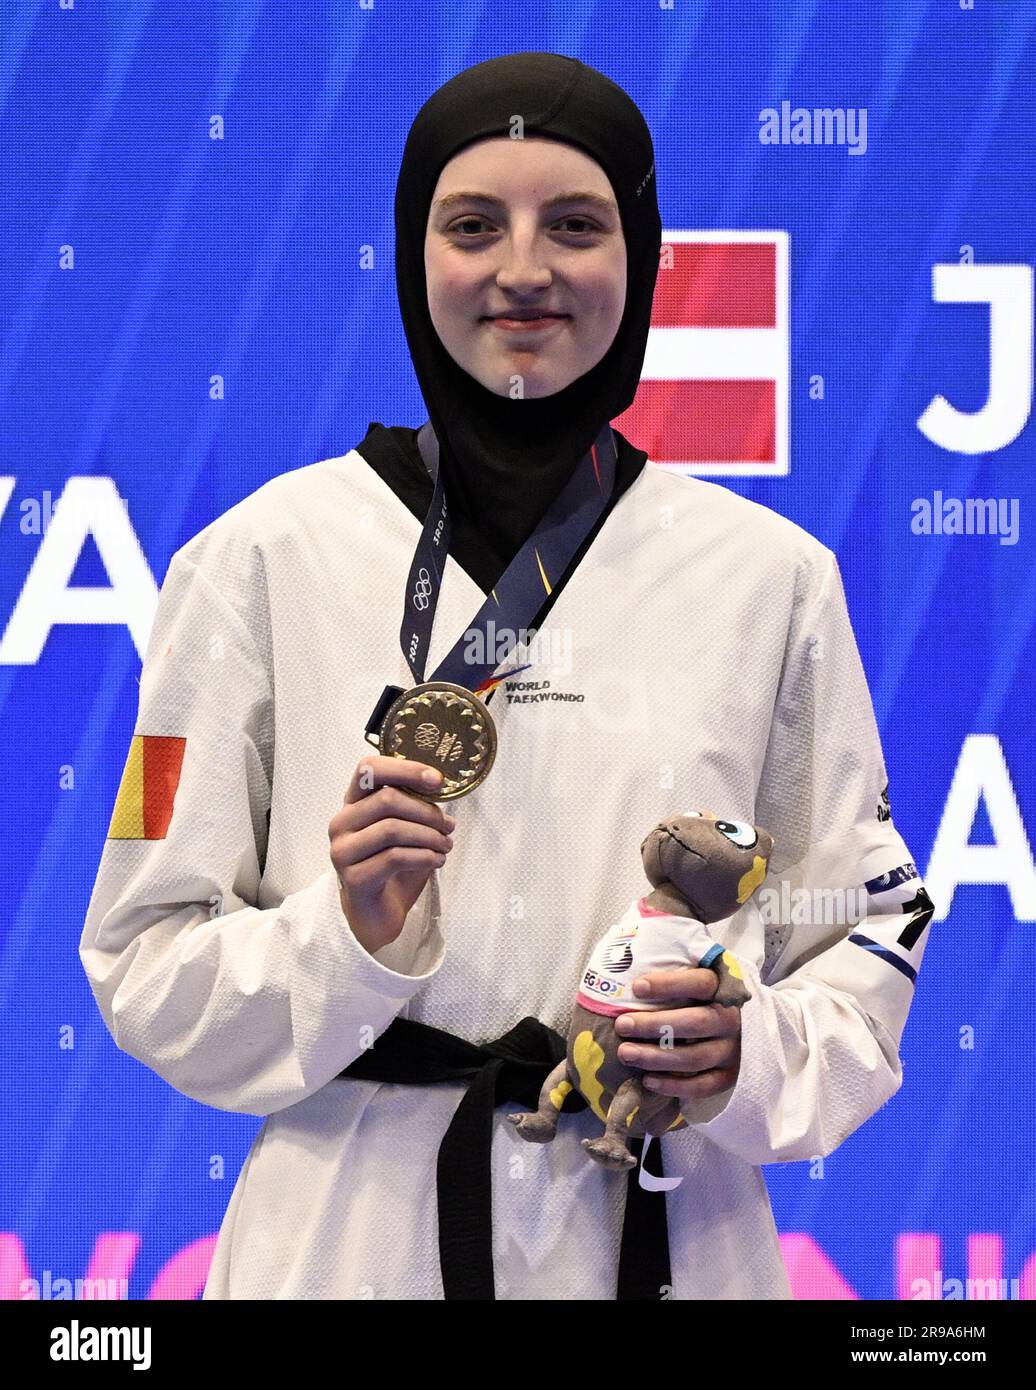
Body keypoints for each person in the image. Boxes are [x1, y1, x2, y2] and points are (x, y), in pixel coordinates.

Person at [79, 52, 934, 1300]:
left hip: (672, 1239)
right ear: (409, 253)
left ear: (639, 263)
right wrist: (346, 937)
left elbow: (865, 926)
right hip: (348, 1252)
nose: (523, 269)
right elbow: (143, 963)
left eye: (575, 226)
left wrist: (748, 1053)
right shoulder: (256, 563)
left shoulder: (769, 577)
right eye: (472, 224)